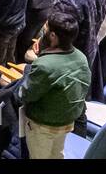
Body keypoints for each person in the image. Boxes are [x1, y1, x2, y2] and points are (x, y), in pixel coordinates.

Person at [19, 11, 91, 159]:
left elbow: (25, 94)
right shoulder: (81, 57)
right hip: (67, 121)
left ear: (52, 36)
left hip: (44, 125)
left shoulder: (44, 65)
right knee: (57, 155)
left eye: (46, 29)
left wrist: (37, 63)